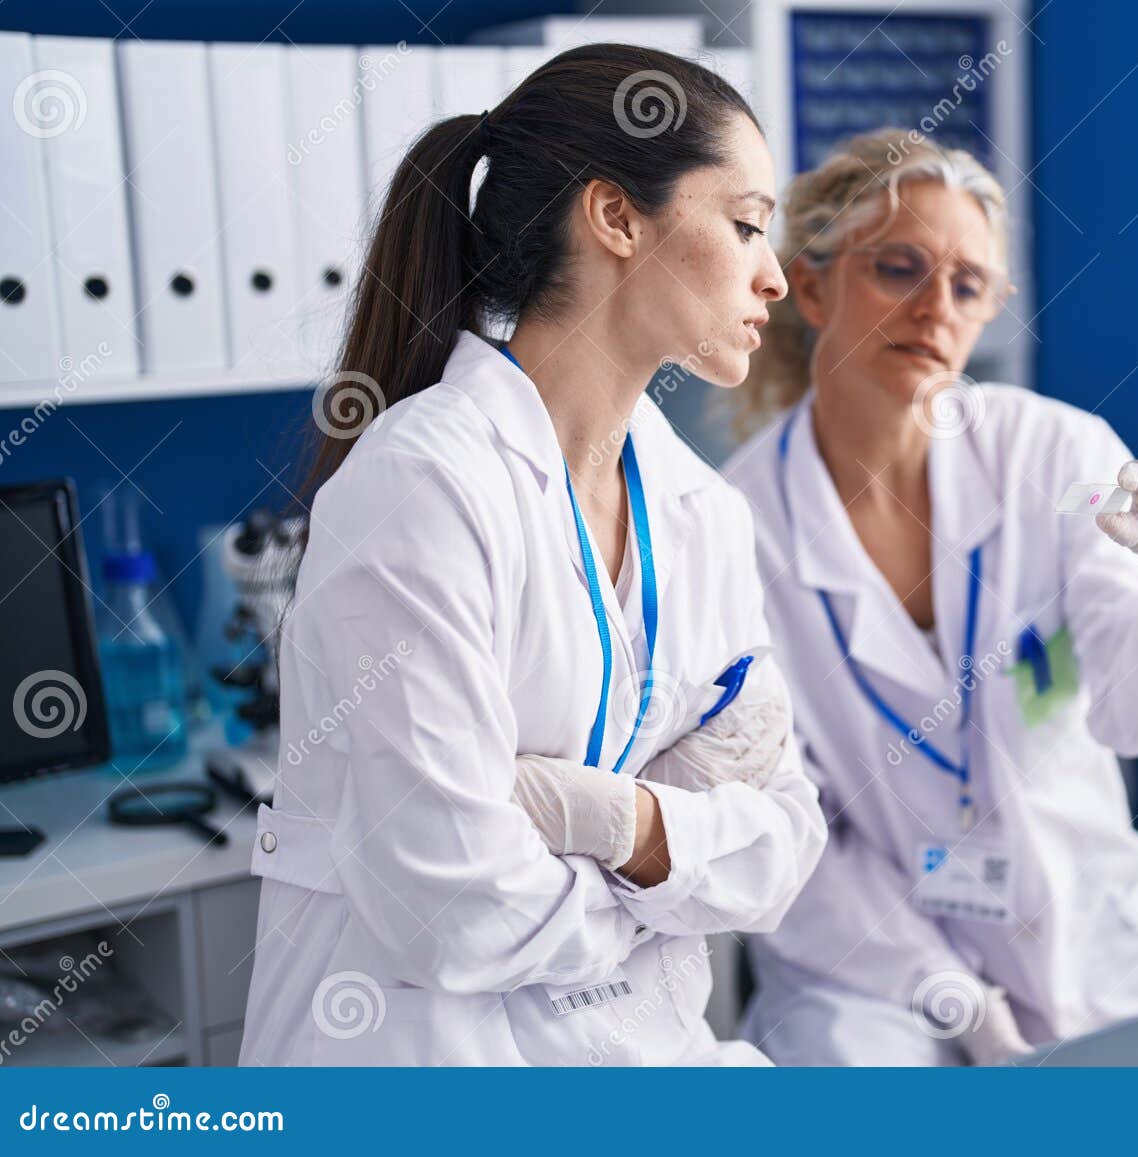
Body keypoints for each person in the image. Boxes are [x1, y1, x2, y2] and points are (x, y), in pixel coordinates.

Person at [239, 45, 825, 1067]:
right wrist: (668, 868)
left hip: (644, 1054)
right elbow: (451, 908)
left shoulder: (703, 513)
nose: (773, 274)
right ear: (615, 217)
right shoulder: (423, 486)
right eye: (741, 225)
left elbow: (785, 849)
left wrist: (600, 816)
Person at [723, 129, 1138, 1065]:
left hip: (1094, 935)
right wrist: (953, 1002)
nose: (936, 308)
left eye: (968, 286)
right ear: (809, 287)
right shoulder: (735, 523)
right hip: (867, 974)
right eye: (899, 267)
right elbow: (788, 829)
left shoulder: (1058, 458)